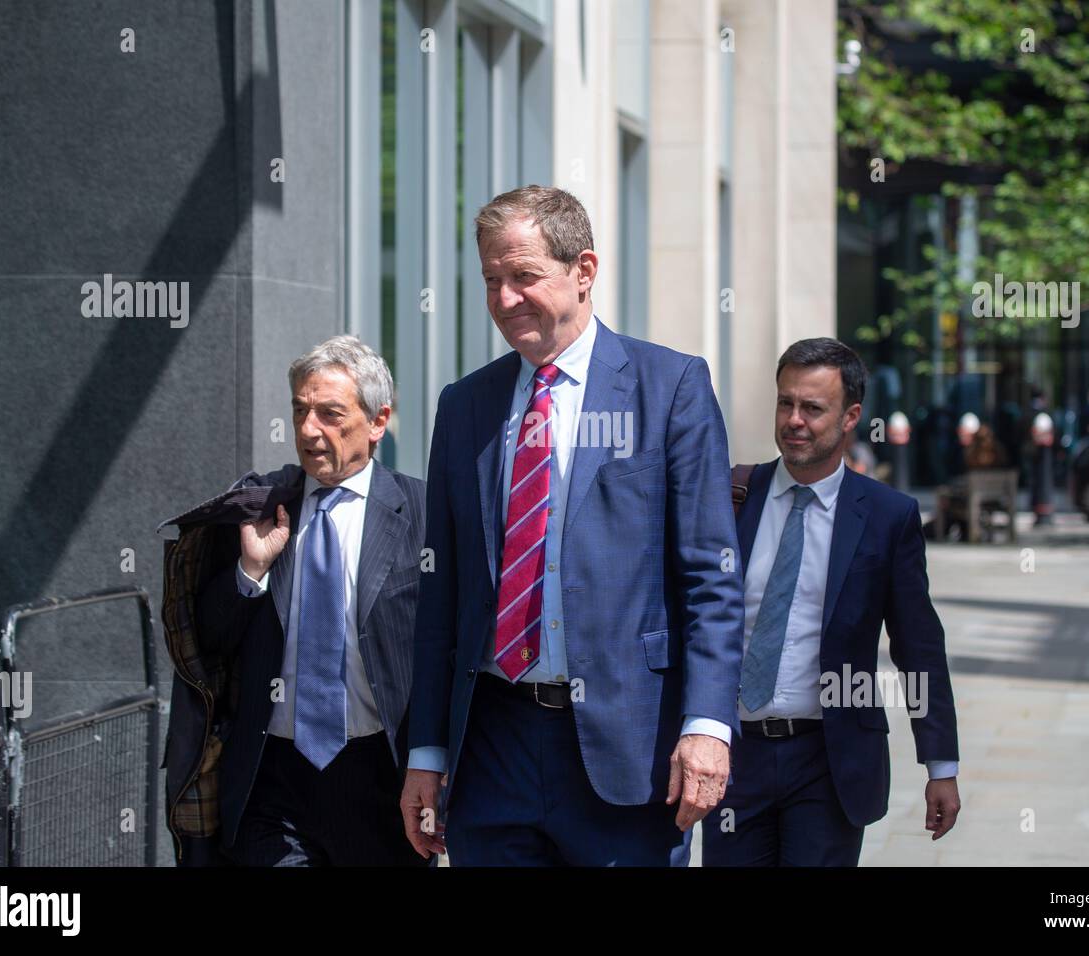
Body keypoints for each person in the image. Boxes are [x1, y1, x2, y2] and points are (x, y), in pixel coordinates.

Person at [401, 185, 743, 866]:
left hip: (627, 755)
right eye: (492, 280)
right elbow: (442, 594)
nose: (503, 299)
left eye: (523, 276)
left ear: (583, 270)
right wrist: (427, 751)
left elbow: (711, 579)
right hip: (493, 750)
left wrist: (708, 726)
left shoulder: (668, 388)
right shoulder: (466, 404)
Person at [704, 339, 960, 866]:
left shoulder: (888, 517)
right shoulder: (731, 497)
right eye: (785, 403)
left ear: (851, 417)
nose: (794, 420)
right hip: (732, 756)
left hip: (829, 759)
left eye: (813, 408)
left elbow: (918, 645)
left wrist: (941, 764)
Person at [181, 336, 428, 866]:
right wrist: (251, 570)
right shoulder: (261, 508)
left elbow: (445, 649)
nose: (309, 429)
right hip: (274, 777)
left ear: (378, 421)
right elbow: (207, 641)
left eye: (330, 413)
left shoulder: (423, 513)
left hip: (382, 780)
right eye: (300, 411)